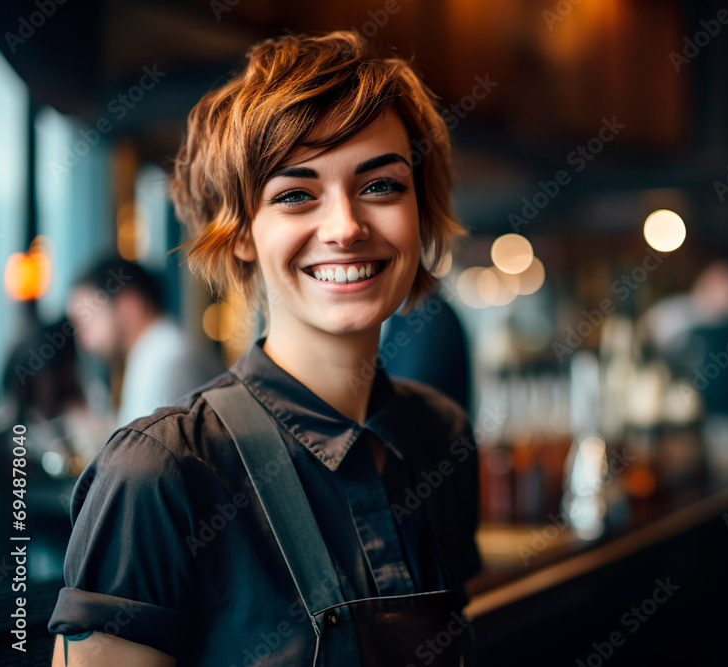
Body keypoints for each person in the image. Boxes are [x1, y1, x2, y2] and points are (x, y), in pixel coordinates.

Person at [48, 31, 482, 666]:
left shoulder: (442, 437)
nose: (345, 227)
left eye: (382, 186)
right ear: (242, 233)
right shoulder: (157, 474)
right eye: (295, 195)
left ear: (420, 209)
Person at [67, 257, 225, 427]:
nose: (83, 342)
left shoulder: (164, 359)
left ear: (128, 305)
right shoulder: (155, 350)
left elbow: (140, 450)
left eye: (86, 322)